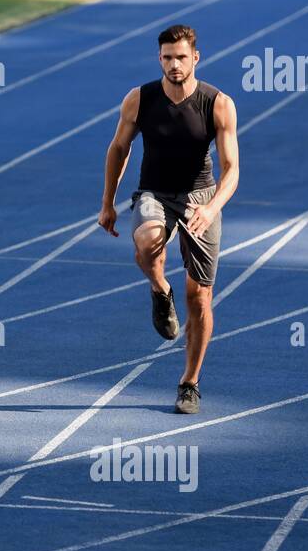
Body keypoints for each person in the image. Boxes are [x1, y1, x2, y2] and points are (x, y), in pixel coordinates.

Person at [97, 24, 239, 414]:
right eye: (166, 58)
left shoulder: (218, 103)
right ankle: (160, 289)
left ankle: (190, 382)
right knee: (145, 244)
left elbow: (232, 169)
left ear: (196, 57)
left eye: (180, 57)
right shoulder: (139, 99)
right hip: (153, 192)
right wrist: (107, 202)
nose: (174, 65)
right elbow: (118, 148)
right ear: (159, 59)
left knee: (199, 297)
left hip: (199, 198)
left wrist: (210, 208)